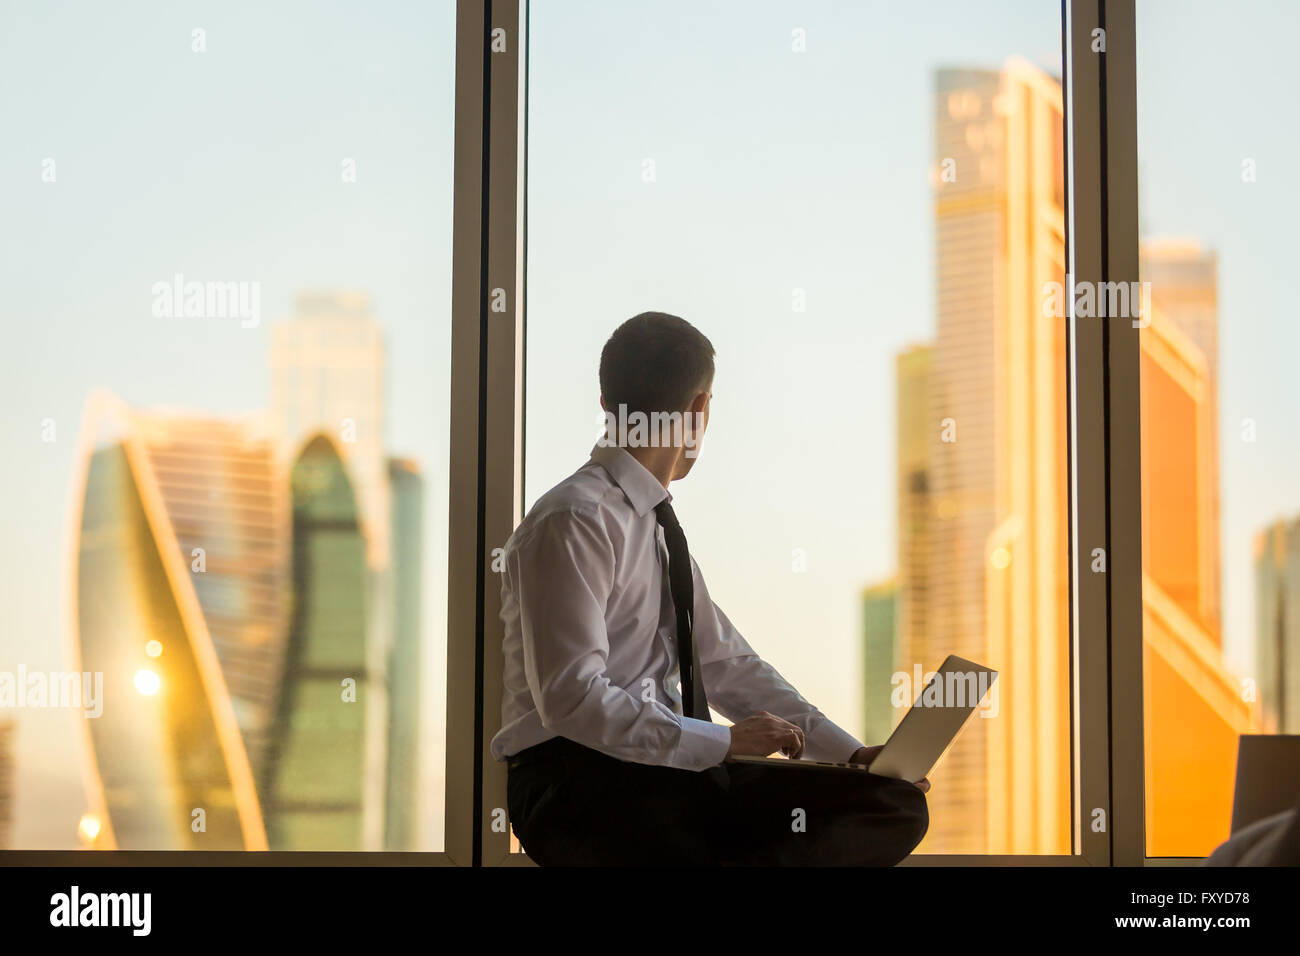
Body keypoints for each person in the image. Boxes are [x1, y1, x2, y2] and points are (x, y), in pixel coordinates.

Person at [491, 311, 929, 865]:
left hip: (664, 769)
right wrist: (722, 743)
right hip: (573, 783)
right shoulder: (575, 518)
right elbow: (571, 698)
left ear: (607, 405)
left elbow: (727, 665)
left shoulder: (655, 530)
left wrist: (850, 755)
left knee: (889, 804)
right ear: (700, 409)